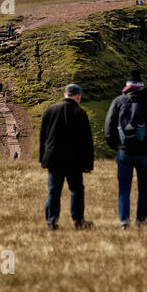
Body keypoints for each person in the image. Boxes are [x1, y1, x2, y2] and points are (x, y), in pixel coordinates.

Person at [104, 72, 147, 229]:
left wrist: (116, 146)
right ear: (141, 86)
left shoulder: (118, 101)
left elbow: (109, 127)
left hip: (124, 153)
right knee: (144, 188)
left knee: (124, 189)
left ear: (127, 86)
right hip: (144, 153)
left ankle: (124, 222)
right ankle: (141, 220)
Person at [39, 83, 95, 230]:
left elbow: (43, 137)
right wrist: (88, 164)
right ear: (78, 96)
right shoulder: (80, 112)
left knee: (54, 191)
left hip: (53, 159)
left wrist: (42, 159)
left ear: (65, 95)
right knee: (76, 190)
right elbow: (87, 141)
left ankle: (51, 223)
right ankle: (78, 221)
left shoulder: (51, 110)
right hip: (74, 160)